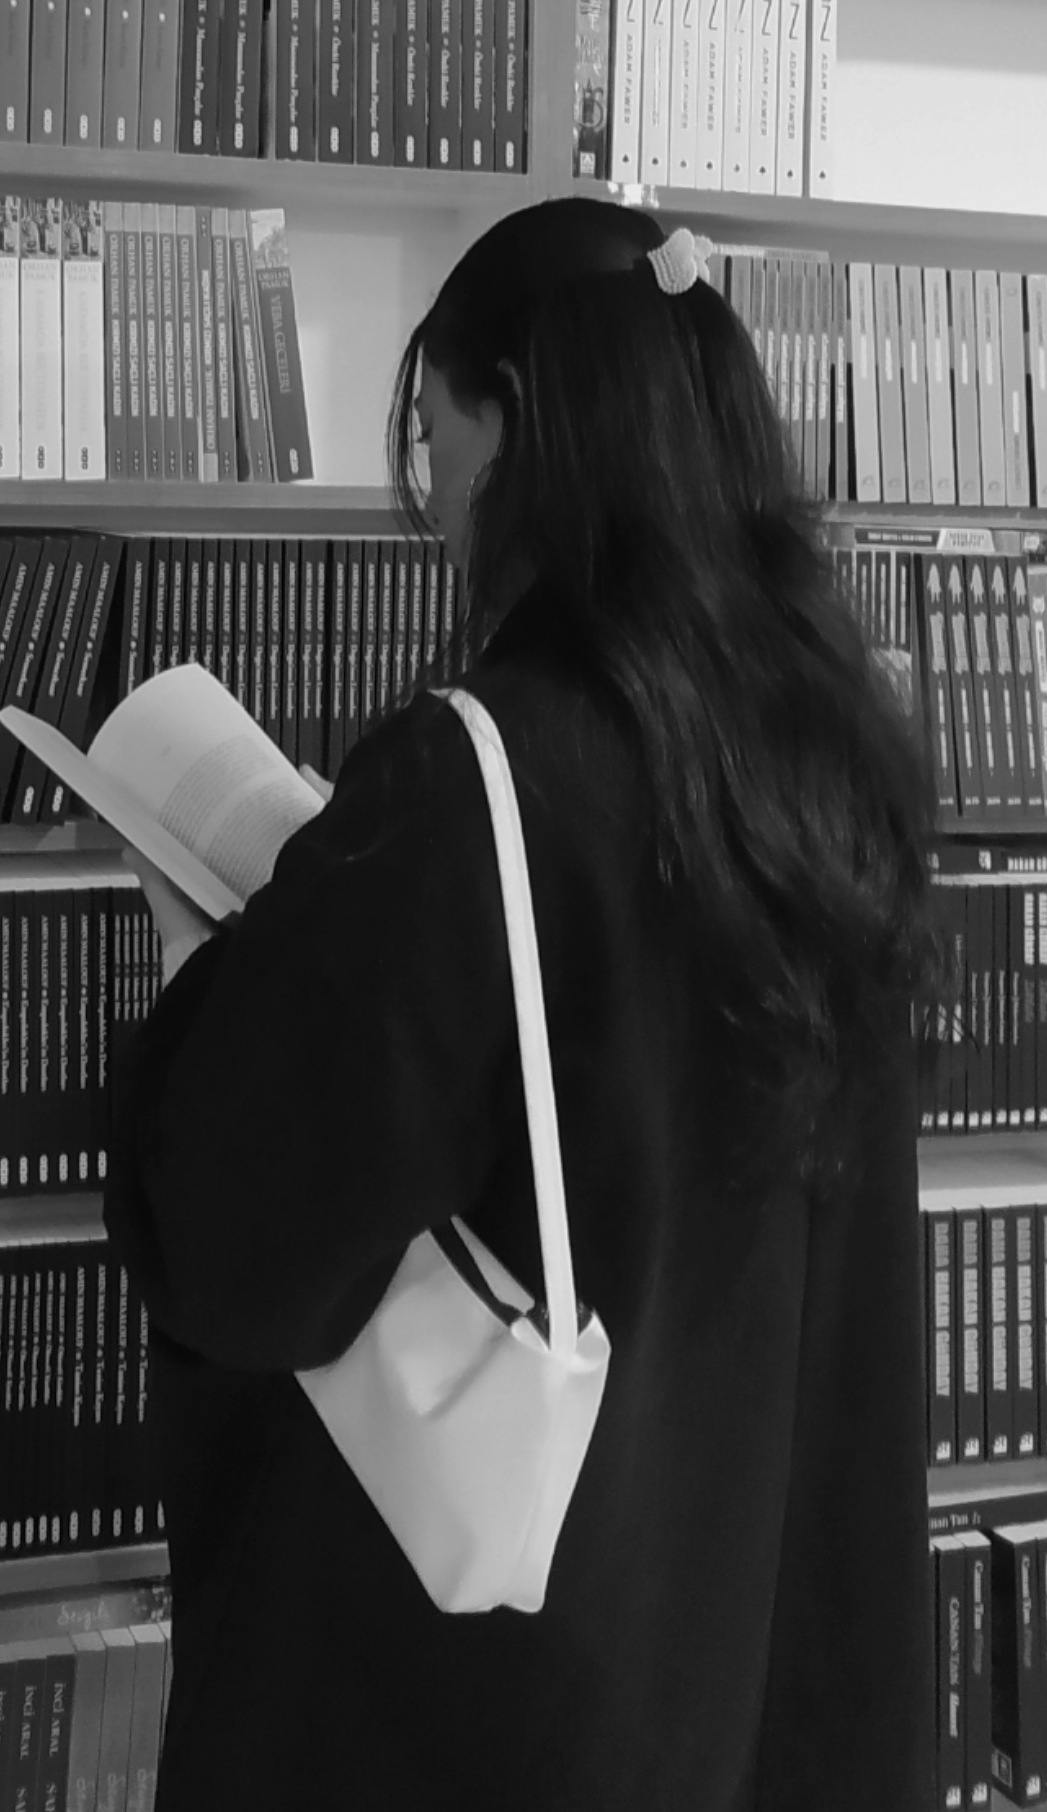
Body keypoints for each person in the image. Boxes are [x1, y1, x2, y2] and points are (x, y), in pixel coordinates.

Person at [102, 197, 936, 1812]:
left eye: (436, 431)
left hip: (497, 1699)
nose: (445, 500)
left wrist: (209, 973)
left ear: (524, 427)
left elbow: (241, 1247)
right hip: (736, 1645)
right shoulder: (833, 761)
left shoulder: (479, 770)